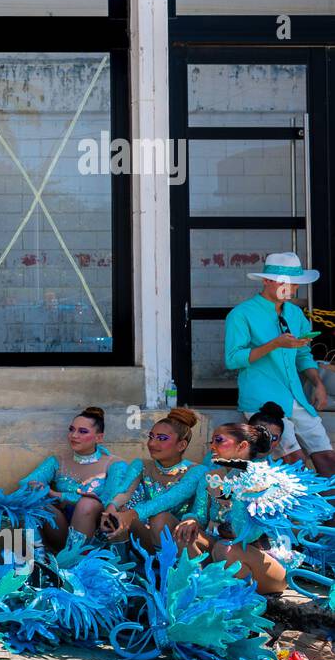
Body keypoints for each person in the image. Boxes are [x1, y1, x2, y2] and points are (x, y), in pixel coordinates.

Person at [224, 252, 333, 476]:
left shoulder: (295, 313)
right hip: (262, 401)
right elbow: (233, 359)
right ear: (266, 281)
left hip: (296, 398)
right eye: (286, 284)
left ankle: (329, 509)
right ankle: (302, 511)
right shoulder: (241, 314)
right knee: (294, 461)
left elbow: (303, 354)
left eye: (295, 285)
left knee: (326, 456)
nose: (291, 290)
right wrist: (275, 344)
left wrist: (318, 384)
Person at [174, 424, 289, 594]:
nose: (212, 446)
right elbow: (199, 515)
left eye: (219, 441)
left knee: (225, 548)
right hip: (223, 550)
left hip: (264, 561)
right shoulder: (212, 477)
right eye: (211, 441)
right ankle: (200, 591)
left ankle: (238, 603)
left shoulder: (263, 480)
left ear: (242, 446)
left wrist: (225, 499)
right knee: (185, 535)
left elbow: (247, 534)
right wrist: (190, 520)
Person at [18, 407, 135, 552]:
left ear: (99, 437)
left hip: (97, 532)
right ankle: (38, 559)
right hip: (60, 529)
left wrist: (61, 496)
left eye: (82, 431)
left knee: (87, 504)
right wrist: (36, 487)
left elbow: (109, 501)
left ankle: (76, 562)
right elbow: (25, 483)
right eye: (71, 429)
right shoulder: (57, 461)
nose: (74, 435)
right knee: (31, 500)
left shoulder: (114, 464)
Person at [101, 408, 209, 552]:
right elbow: (124, 493)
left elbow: (168, 499)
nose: (152, 444)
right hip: (149, 535)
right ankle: (120, 566)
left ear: (181, 445)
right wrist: (110, 510)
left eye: (162, 439)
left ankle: (167, 569)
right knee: (119, 512)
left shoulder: (197, 471)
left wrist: (131, 514)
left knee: (159, 518)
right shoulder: (141, 465)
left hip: (183, 538)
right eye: (151, 437)